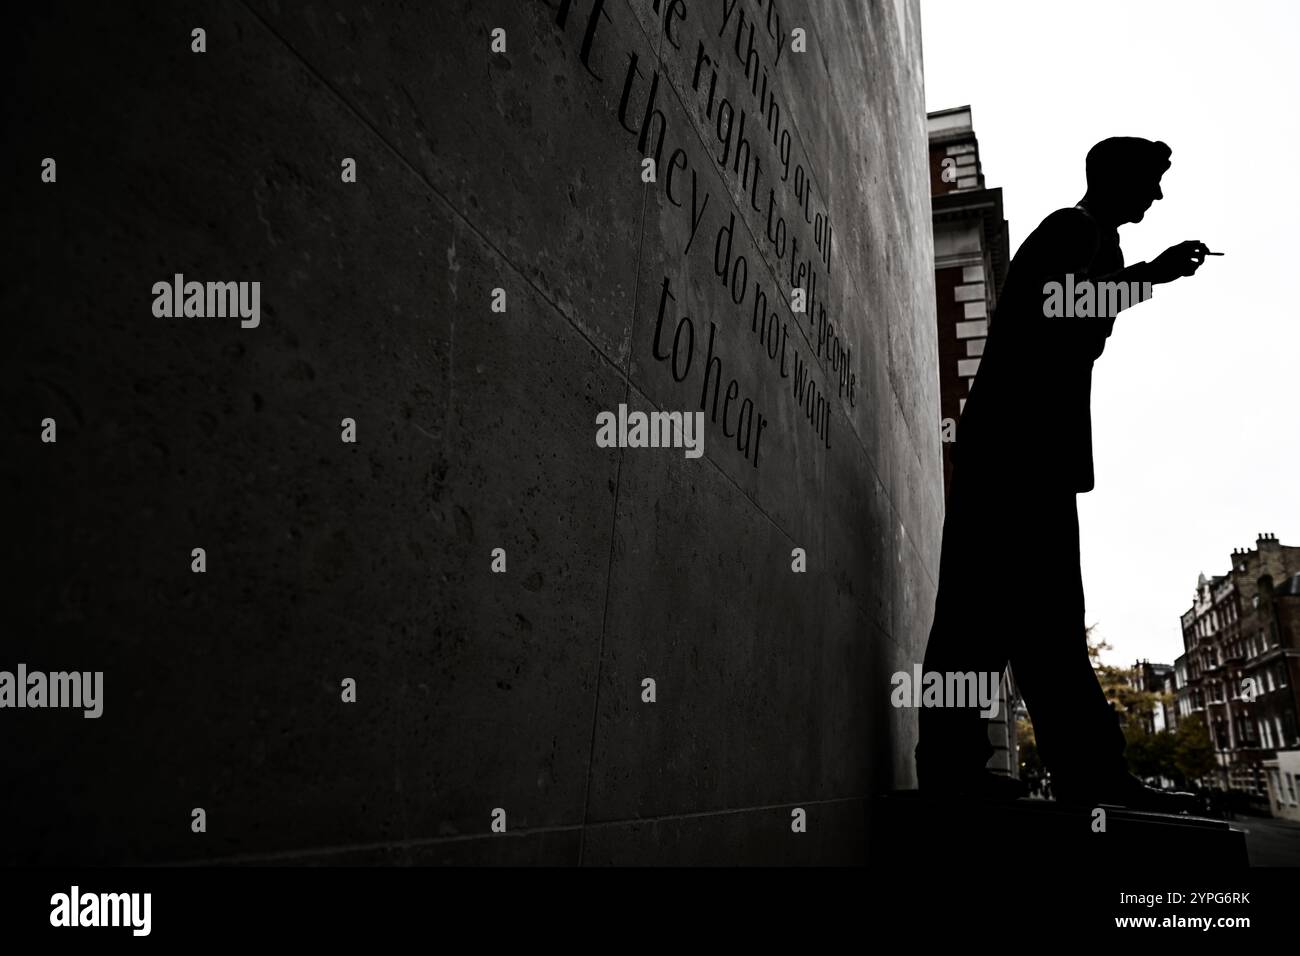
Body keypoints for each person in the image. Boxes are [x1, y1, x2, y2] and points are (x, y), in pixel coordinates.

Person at [916, 137, 1210, 812]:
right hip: (1015, 459)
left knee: (1022, 619)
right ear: (1118, 180)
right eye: (1151, 182)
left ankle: (1051, 771)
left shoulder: (1088, 238)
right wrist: (1151, 276)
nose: (1157, 196)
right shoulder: (1070, 229)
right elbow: (1057, 308)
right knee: (996, 617)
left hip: (1022, 458)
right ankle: (1037, 772)